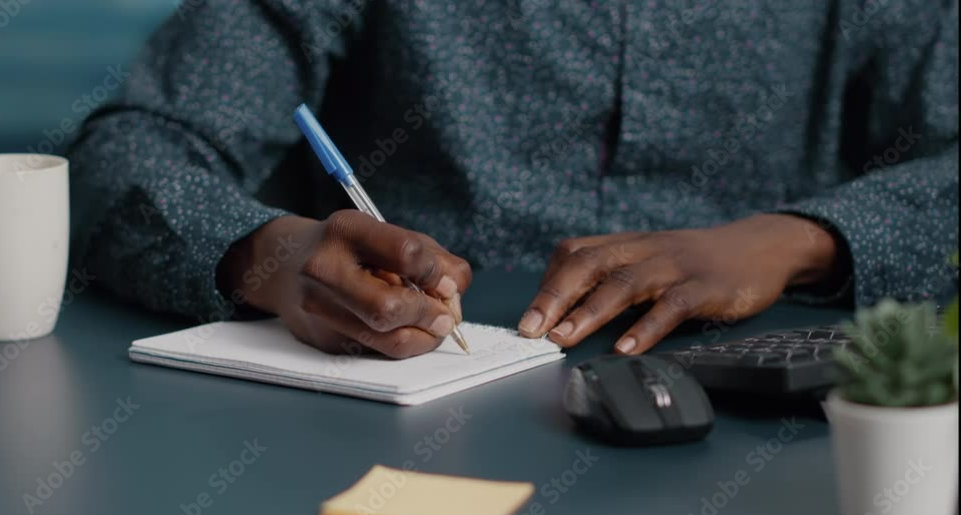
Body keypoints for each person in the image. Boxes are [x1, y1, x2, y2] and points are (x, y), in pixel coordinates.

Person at [68, 0, 958, 359]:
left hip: (757, 398)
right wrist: (273, 255)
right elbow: (132, 150)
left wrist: (794, 239)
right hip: (393, 395)